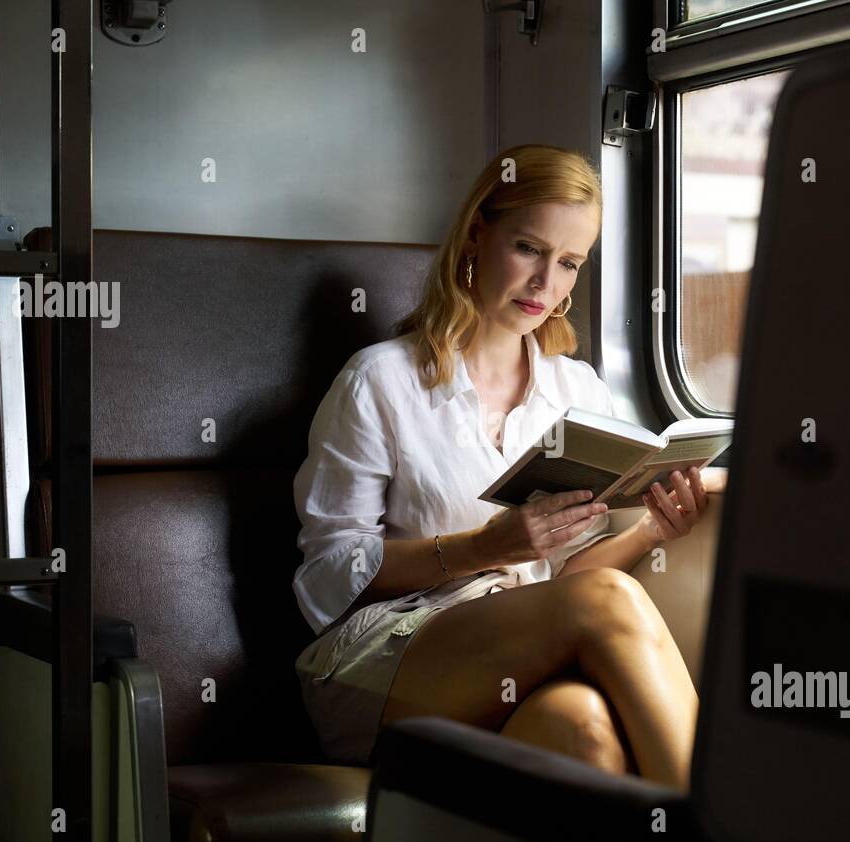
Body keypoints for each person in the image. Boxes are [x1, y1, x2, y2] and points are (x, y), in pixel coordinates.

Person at [292, 144, 724, 790]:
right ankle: (728, 841)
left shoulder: (577, 393)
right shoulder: (380, 382)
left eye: (570, 263)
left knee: (583, 731)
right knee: (609, 601)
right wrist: (482, 547)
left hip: (518, 643)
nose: (546, 284)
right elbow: (327, 579)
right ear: (476, 235)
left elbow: (565, 581)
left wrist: (650, 533)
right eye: (529, 249)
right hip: (385, 658)